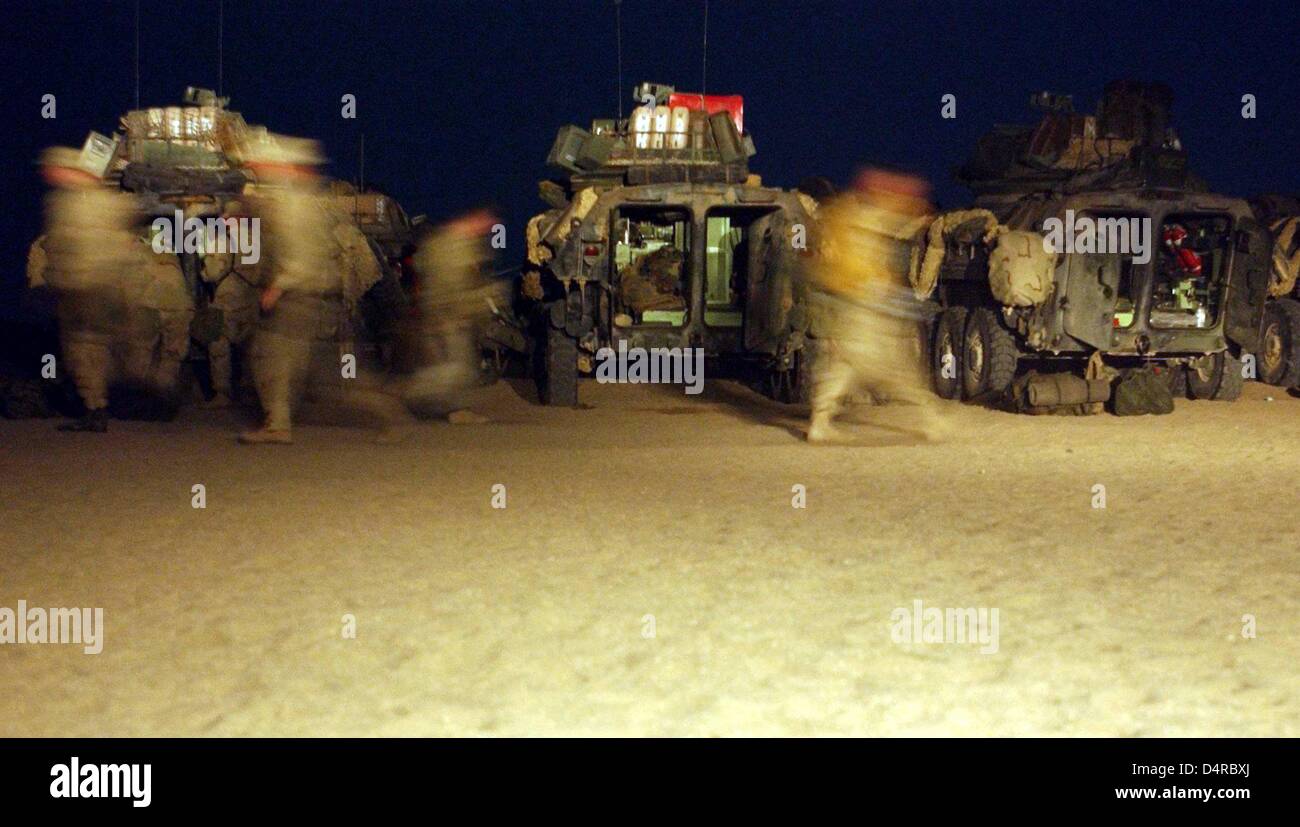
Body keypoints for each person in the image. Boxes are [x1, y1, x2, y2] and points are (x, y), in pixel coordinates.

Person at [237, 134, 411, 444]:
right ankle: (384, 408)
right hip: (317, 296)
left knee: (273, 356)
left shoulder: (293, 206)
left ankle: (279, 425)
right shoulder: (304, 201)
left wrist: (277, 287)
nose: (256, 168)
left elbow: (301, 257)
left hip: (299, 297)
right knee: (323, 368)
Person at [807, 168, 946, 443]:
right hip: (865, 305)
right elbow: (891, 223)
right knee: (894, 370)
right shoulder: (865, 219)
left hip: (849, 304)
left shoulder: (843, 215)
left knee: (842, 366)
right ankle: (932, 419)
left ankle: (819, 423)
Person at [35, 147, 137, 432]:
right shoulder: (110, 201)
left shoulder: (72, 203)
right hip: (103, 285)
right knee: (96, 347)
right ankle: (100, 403)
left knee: (81, 349)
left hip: (83, 287)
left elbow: (68, 248)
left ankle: (96, 407)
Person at [201, 200, 265, 407]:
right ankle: (249, 392)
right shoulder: (257, 240)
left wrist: (203, 270)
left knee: (219, 345)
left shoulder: (222, 240)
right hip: (253, 299)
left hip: (227, 299)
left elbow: (212, 273)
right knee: (250, 347)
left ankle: (223, 394)